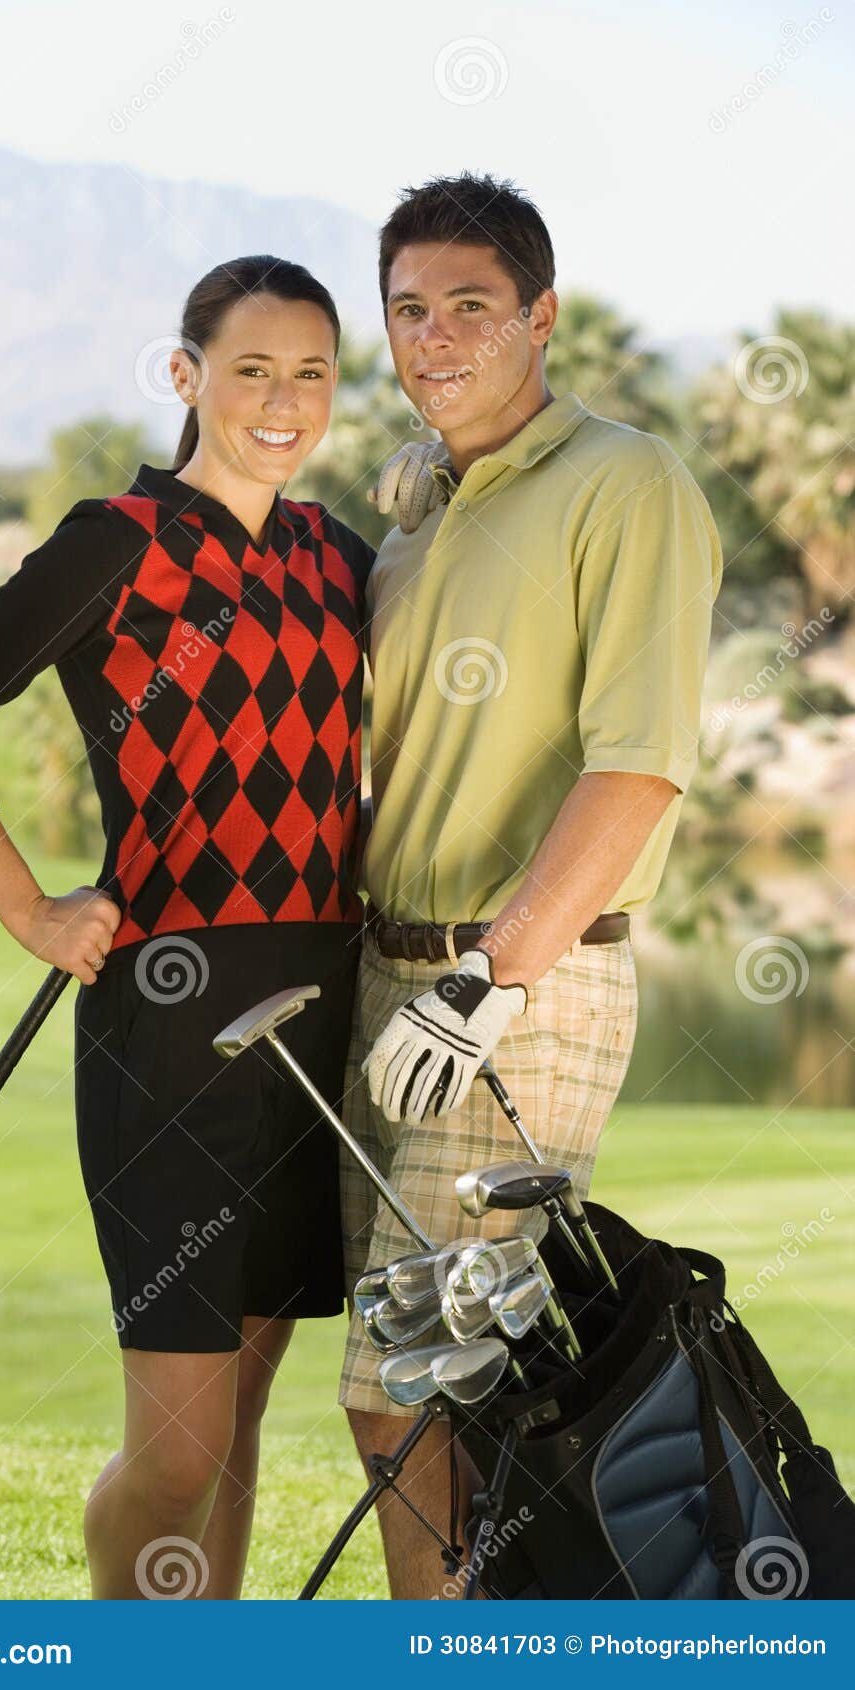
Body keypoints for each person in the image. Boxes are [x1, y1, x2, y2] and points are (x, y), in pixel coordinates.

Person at [0, 255, 374, 1600]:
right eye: (252, 368)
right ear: (186, 374)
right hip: (169, 1023)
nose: (283, 400)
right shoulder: (121, 542)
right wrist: (31, 908)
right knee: (177, 1445)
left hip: (323, 1010)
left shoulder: (341, 557)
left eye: (313, 371)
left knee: (245, 1424)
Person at [337, 173, 723, 1598]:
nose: (434, 338)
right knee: (431, 1389)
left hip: (516, 989)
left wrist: (488, 981)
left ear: (542, 315)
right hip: (396, 977)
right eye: (409, 311)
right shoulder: (419, 514)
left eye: (473, 309)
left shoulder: (629, 483)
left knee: (412, 1381)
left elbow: (637, 769)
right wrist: (413, 534)